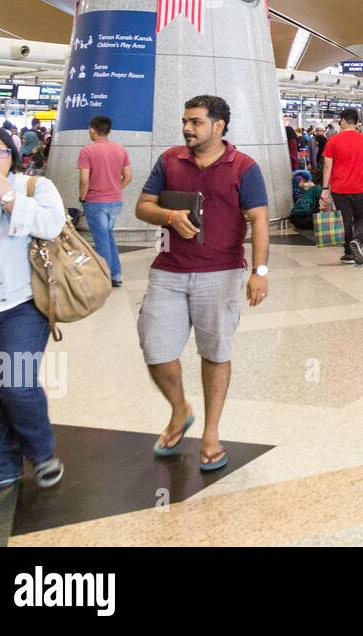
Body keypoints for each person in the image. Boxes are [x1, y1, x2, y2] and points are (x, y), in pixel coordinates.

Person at [134, 95, 270, 473]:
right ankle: (180, 410)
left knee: (215, 353)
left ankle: (211, 433)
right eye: (185, 121)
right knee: (156, 349)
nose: (187, 128)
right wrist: (170, 215)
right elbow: (143, 206)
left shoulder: (244, 167)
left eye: (195, 122)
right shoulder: (169, 160)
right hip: (168, 270)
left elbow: (259, 219)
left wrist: (259, 272)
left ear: (218, 126)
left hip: (221, 273)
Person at [0, 123, 67, 502]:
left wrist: (6, 196)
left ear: (13, 154)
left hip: (20, 307)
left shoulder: (34, 188)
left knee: (16, 384)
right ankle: (0, 468)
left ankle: (41, 454)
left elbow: (51, 225)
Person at [77, 114, 132, 288]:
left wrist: (83, 197)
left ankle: (105, 279)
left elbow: (84, 180)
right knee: (108, 237)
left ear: (92, 130)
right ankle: (116, 275)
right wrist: (115, 189)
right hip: (115, 201)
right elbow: (128, 176)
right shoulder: (120, 149)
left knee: (101, 241)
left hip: (95, 201)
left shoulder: (87, 151)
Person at [323, 107, 363, 265]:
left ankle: (348, 252)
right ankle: (357, 241)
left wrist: (325, 189)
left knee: (345, 219)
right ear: (357, 122)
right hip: (361, 187)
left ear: (344, 121)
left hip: (340, 188)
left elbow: (327, 167)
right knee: (362, 217)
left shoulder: (333, 141)